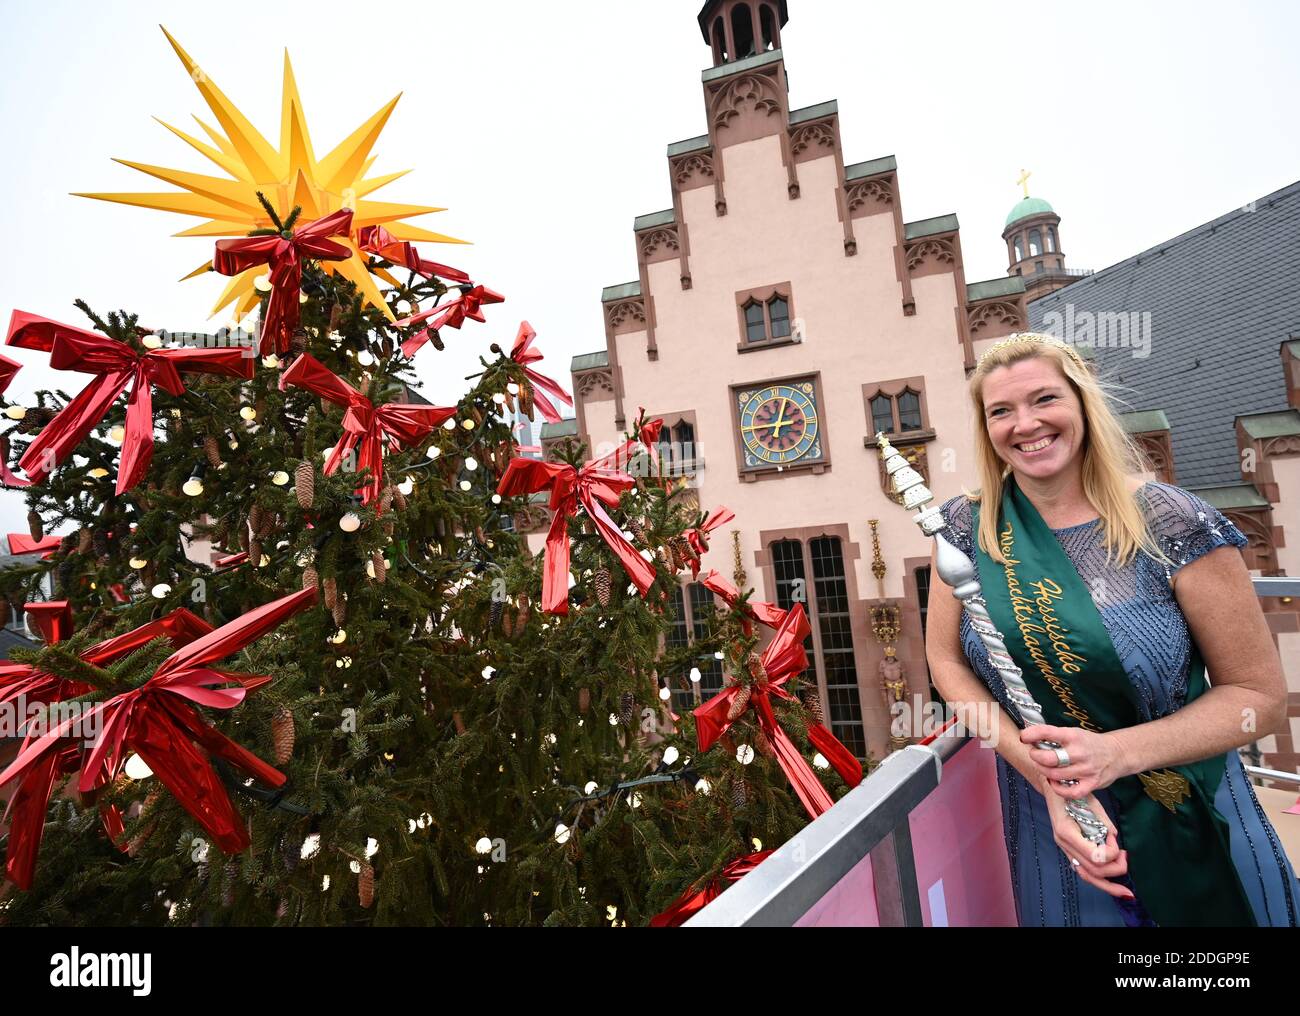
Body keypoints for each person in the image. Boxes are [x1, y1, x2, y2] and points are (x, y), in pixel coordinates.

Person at [926, 332, 1299, 927]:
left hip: (1187, 805)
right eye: (1001, 411)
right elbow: (947, 665)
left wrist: (1114, 753)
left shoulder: (1170, 520)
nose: (1025, 424)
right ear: (985, 427)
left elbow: (1259, 698)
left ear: (1082, 404)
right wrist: (1050, 783)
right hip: (1058, 822)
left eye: (1044, 399)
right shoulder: (964, 528)